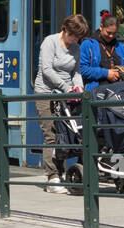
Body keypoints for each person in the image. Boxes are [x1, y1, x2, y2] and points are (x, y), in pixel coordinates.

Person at [34, 14, 90, 193]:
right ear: (65, 30)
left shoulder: (76, 47)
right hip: (47, 93)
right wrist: (66, 87)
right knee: (50, 133)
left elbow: (77, 71)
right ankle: (52, 177)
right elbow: (46, 69)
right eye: (73, 35)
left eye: (78, 37)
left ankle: (61, 172)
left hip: (68, 95)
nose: (75, 40)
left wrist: (79, 87)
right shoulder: (50, 42)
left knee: (65, 133)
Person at [80, 13, 124, 85]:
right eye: (108, 32)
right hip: (97, 90)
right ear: (101, 27)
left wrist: (120, 73)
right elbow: (82, 70)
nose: (111, 36)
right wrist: (106, 73)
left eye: (114, 33)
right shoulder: (88, 44)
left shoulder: (120, 47)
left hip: (119, 90)